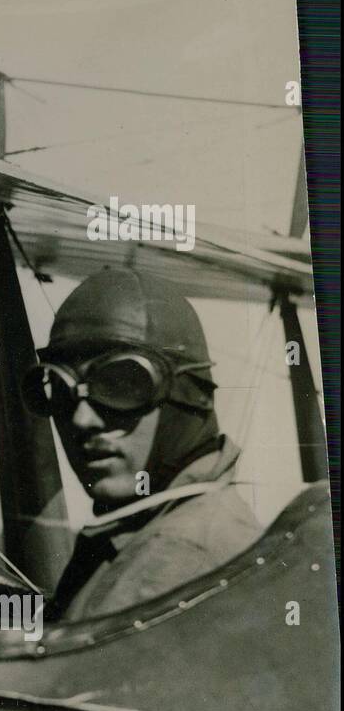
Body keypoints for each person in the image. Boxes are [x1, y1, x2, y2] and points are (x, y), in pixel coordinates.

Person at [23, 267, 262, 623]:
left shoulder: (175, 557)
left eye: (120, 386)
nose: (82, 420)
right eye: (60, 392)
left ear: (185, 396)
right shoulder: (150, 528)